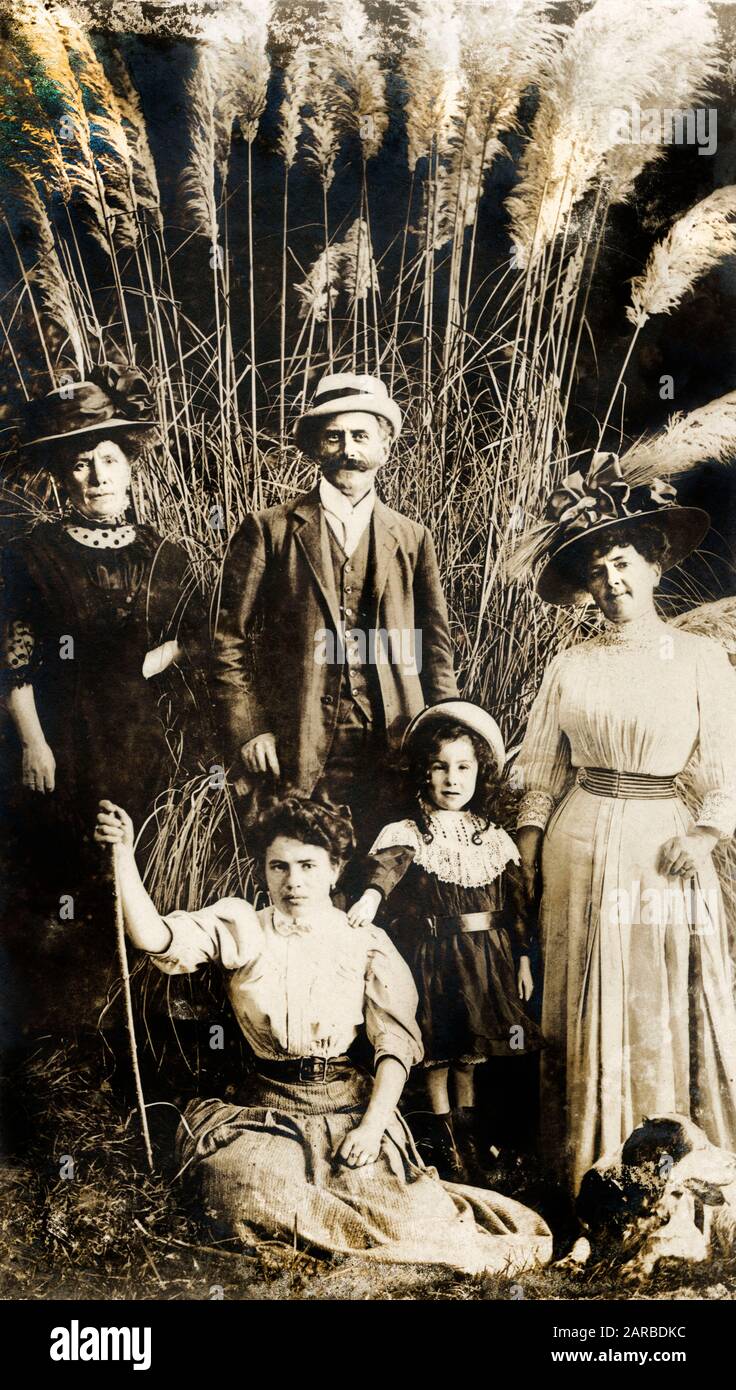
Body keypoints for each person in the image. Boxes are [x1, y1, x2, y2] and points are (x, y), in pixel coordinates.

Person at [94, 792, 552, 1275]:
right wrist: (124, 855)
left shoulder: (363, 940)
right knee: (242, 1184)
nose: (293, 882)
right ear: (264, 871)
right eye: (279, 867)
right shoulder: (244, 927)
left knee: (399, 1207)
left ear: (335, 870)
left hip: (348, 1105)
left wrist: (373, 1126)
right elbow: (155, 938)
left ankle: (338, 1244)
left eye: (309, 866)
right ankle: (329, 1247)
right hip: (266, 1109)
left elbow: (395, 1045)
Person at [512, 452, 736, 1193]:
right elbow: (541, 774)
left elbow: (726, 769)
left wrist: (703, 835)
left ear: (655, 565)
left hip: (663, 845)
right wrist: (529, 855)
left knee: (657, 999)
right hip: (578, 845)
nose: (612, 583)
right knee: (577, 998)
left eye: (624, 565)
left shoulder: (700, 659)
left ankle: (672, 1169)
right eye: (598, 573)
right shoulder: (569, 665)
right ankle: (587, 1175)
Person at [0, 369, 206, 1034]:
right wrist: (33, 741)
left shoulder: (165, 555)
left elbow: (194, 638)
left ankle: (140, 1021)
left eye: (109, 461)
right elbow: (18, 654)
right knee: (65, 871)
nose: (98, 476)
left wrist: (142, 667)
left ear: (129, 467)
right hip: (62, 741)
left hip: (141, 738)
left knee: (136, 859)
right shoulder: (33, 556)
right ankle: (67, 1032)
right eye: (82, 464)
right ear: (65, 476)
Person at [212, 373, 458, 844]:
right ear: (315, 448)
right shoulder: (270, 530)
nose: (349, 449)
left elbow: (435, 644)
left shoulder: (411, 537)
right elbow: (227, 639)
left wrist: (443, 729)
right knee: (308, 865)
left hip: (395, 736)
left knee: (387, 866)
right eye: (335, 436)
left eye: (361, 436)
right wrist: (249, 728)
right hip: (299, 737)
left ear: (385, 447)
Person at [348, 700, 541, 1184]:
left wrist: (521, 958)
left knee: (470, 1056)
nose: (452, 780)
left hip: (488, 957)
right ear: (423, 773)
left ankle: (471, 1141)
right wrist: (371, 898)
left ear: (480, 774)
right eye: (440, 768)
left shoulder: (494, 838)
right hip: (434, 958)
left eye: (463, 767)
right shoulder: (410, 832)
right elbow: (386, 869)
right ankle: (443, 1143)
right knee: (438, 1049)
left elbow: (516, 904)